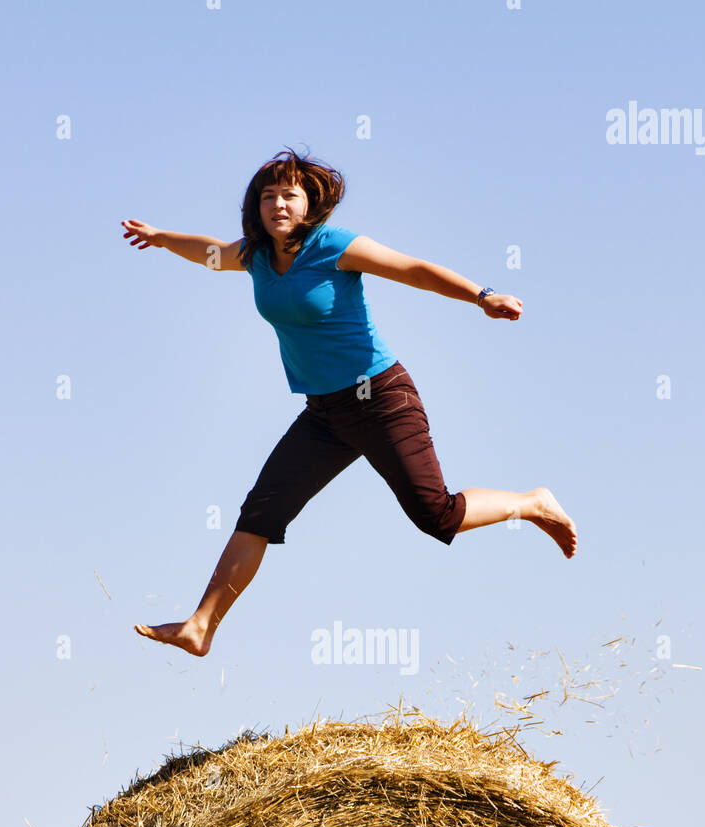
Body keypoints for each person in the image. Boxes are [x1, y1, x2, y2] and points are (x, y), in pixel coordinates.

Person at [122, 147, 576, 658]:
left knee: (436, 516)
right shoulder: (255, 256)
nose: (278, 204)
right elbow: (210, 254)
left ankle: (532, 502)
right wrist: (161, 239)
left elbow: (413, 269)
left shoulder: (334, 246)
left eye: (289, 195)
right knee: (260, 514)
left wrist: (480, 294)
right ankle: (200, 626)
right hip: (325, 414)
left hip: (381, 398)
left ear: (309, 202)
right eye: (267, 196)